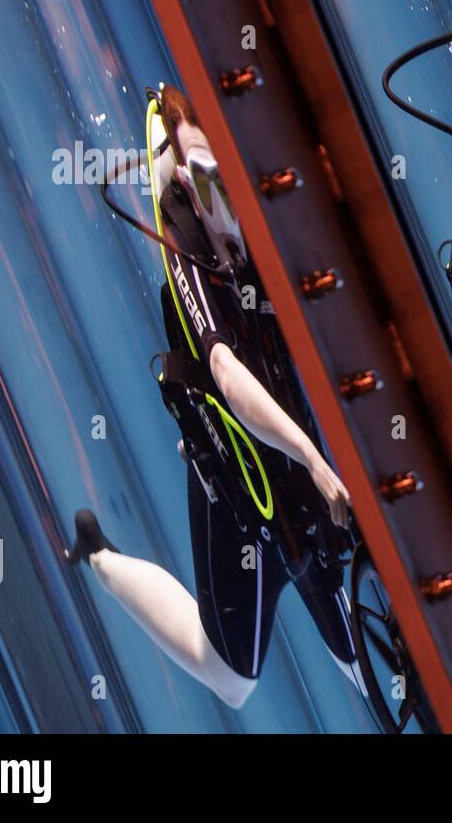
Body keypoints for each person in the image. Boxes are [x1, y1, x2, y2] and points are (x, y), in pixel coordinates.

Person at [70, 86, 363, 709]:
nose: (222, 202)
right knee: (232, 680)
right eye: (205, 181)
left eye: (230, 178)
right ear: (181, 184)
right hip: (240, 502)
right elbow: (226, 373)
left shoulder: (269, 220)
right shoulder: (189, 256)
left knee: (364, 664)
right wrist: (313, 456)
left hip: (306, 489)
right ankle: (99, 557)